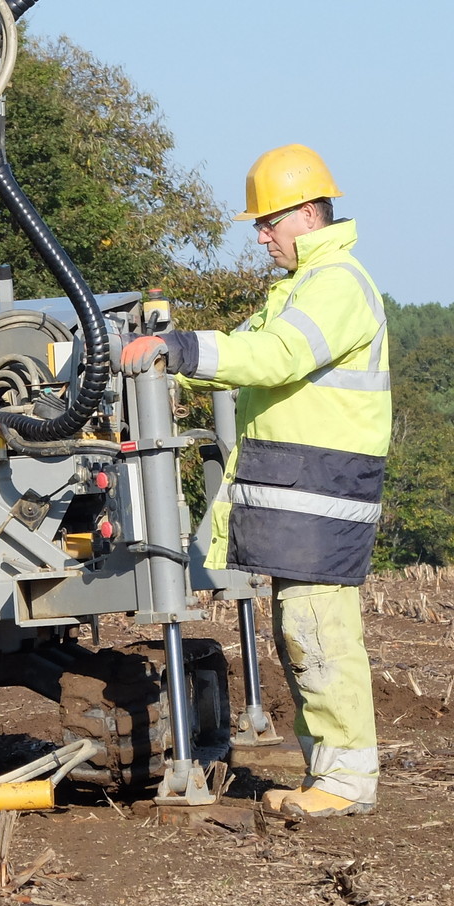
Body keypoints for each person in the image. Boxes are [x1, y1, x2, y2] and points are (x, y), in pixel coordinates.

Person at [122, 144, 391, 819]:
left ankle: (346, 782)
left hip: (321, 493)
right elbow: (238, 351)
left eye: (267, 221)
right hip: (306, 492)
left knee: (319, 634)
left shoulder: (335, 285)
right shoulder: (302, 286)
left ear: (306, 212)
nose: (261, 235)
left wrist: (177, 349)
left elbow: (271, 356)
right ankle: (331, 772)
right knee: (304, 635)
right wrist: (166, 356)